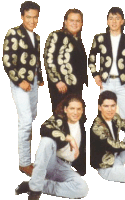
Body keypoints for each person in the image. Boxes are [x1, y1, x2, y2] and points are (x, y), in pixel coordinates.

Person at [15, 94, 88, 199]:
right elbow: (45, 128)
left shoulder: (82, 125)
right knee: (47, 141)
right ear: (66, 109)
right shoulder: (59, 119)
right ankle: (35, 191)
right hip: (50, 162)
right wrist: (69, 138)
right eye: (72, 108)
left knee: (82, 189)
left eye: (78, 109)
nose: (75, 112)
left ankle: (35, 185)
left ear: (82, 111)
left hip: (65, 167)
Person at [3, 1, 43, 176]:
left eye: (35, 17)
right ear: (22, 16)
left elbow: (36, 61)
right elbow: (7, 60)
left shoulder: (37, 37)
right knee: (26, 121)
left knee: (32, 117)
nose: (32, 21)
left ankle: (27, 155)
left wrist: (39, 78)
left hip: (33, 83)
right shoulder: (13, 33)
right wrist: (20, 81)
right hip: (20, 83)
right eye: (29, 17)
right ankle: (24, 163)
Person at [88, 7, 125, 120]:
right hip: (106, 82)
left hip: (123, 83)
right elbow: (91, 58)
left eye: (117, 18)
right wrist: (95, 75)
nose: (114, 21)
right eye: (111, 18)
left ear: (122, 21)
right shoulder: (99, 38)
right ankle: (105, 137)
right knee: (104, 116)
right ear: (107, 21)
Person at [44, 9, 87, 112]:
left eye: (77, 21)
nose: (74, 23)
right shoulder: (57, 36)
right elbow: (49, 59)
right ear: (65, 22)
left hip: (75, 88)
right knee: (61, 115)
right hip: (62, 87)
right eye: (72, 20)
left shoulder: (78, 40)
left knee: (73, 117)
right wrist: (57, 80)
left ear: (81, 23)